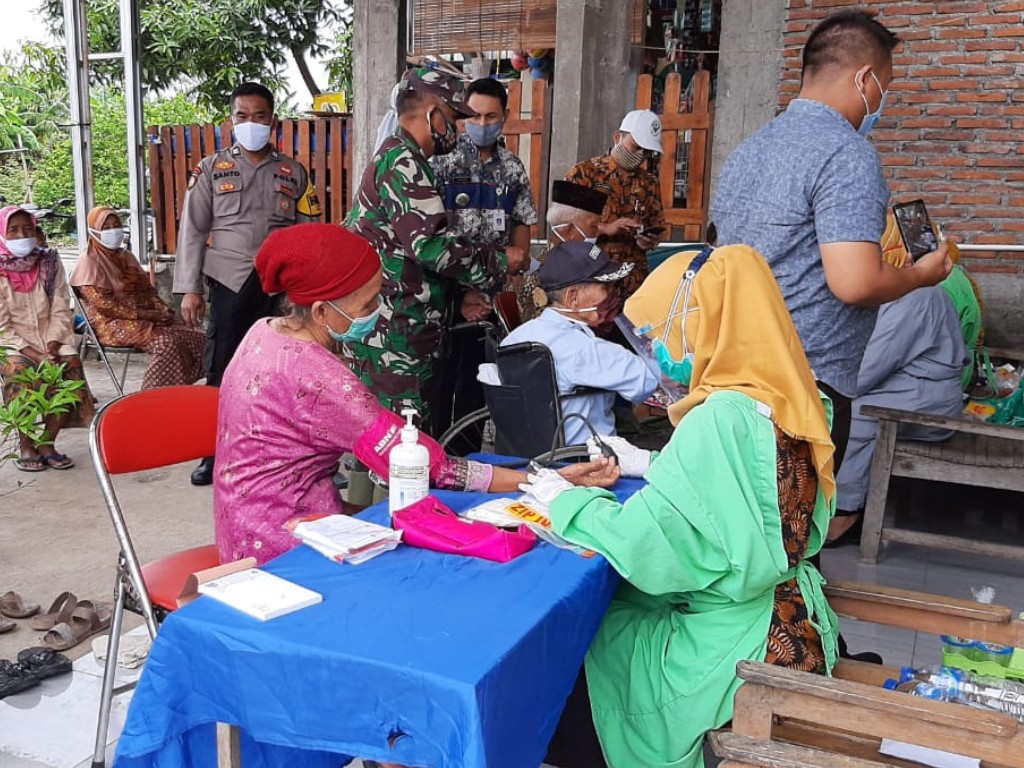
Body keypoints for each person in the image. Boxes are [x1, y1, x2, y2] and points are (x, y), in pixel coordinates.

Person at [533, 245, 839, 768]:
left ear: (705, 320)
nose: (656, 347)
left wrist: (570, 504)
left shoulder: (718, 419)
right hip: (799, 624)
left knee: (576, 651)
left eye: (659, 333)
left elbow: (652, 547)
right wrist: (657, 466)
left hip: (729, 652)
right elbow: (753, 499)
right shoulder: (794, 395)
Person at [214, 223, 617, 565]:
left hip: (244, 524)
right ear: (320, 312)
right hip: (286, 548)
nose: (378, 312)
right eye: (368, 303)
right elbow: (426, 467)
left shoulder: (266, 330)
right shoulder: (316, 378)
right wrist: (542, 479)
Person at [710, 10, 952, 508]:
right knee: (795, 534)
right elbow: (855, 282)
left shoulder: (749, 150)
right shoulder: (847, 153)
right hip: (806, 380)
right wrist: (921, 275)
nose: (881, 102)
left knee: (743, 524)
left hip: (734, 364)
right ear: (863, 78)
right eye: (884, 87)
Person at [345, 67, 529, 433]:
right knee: (401, 447)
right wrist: (497, 260)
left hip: (403, 325)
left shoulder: (402, 157)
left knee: (382, 439)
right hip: (397, 333)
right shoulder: (404, 162)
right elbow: (432, 247)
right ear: (433, 113)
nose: (460, 127)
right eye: (455, 117)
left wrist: (457, 297)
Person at [173, 81, 321, 486]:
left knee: (282, 371)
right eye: (243, 116)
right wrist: (191, 288)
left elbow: (307, 229)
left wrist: (305, 288)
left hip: (278, 286)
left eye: (259, 116)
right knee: (221, 369)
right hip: (228, 280)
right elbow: (192, 229)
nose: (251, 123)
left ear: (273, 121)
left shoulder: (293, 172)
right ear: (231, 121)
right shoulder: (211, 168)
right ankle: (213, 453)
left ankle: (281, 451)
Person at [830, 220, 970, 546]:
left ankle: (845, 514)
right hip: (910, 389)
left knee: (852, 414)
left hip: (925, 400)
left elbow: (863, 374)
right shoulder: (906, 290)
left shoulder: (914, 299)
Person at [430, 77, 539, 433]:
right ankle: (435, 461)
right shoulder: (442, 163)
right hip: (445, 296)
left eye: (491, 116)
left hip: (490, 300)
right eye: (474, 116)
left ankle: (466, 466)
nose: (482, 124)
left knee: (476, 388)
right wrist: (459, 292)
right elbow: (430, 234)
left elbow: (521, 225)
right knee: (438, 387)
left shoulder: (513, 168)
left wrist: (515, 279)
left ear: (504, 116)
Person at [500, 241, 659, 445]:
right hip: (589, 459)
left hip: (528, 454)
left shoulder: (514, 338)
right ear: (573, 298)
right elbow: (649, 381)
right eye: (605, 286)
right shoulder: (584, 349)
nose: (614, 294)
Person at [0, 205, 95, 471]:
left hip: (52, 337)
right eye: (14, 230)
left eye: (27, 228)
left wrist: (53, 344)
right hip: (12, 343)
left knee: (70, 368)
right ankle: (26, 444)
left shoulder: (50, 261)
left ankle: (46, 441)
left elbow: (61, 306)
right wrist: (35, 354)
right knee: (20, 373)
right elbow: (2, 326)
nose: (22, 235)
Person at [70, 206, 205, 389]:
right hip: (112, 323)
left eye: (116, 225)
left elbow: (148, 291)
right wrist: (148, 315)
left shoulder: (127, 257)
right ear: (94, 232)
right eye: (106, 227)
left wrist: (161, 309)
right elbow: (105, 306)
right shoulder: (88, 262)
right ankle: (151, 397)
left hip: (147, 318)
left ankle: (176, 392)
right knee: (167, 342)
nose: (113, 231)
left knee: (199, 337)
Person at [565, 109, 665, 296]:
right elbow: (562, 227)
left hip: (634, 285)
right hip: (591, 282)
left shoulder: (649, 182)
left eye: (647, 152)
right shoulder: (583, 173)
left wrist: (649, 240)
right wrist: (605, 228)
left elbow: (656, 224)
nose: (641, 155)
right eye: (636, 147)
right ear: (618, 137)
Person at [517, 180, 608, 323]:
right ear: (569, 230)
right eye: (593, 227)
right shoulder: (541, 277)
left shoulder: (580, 259)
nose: (597, 234)